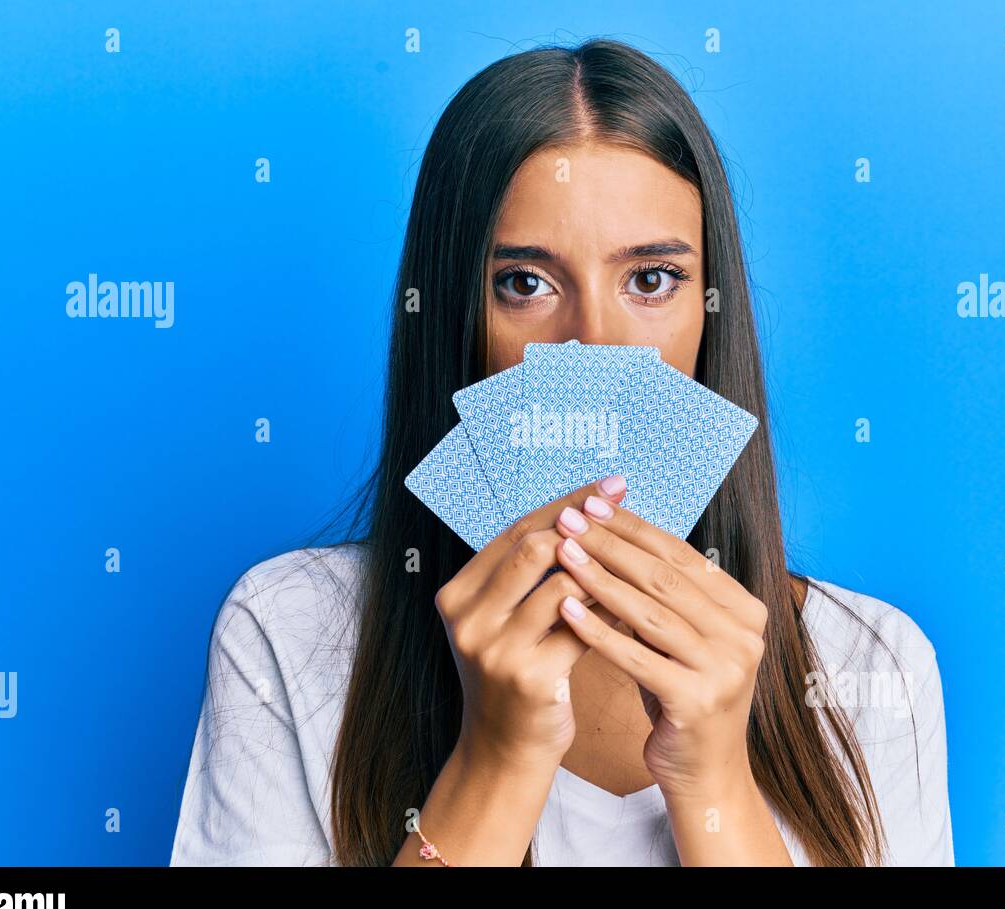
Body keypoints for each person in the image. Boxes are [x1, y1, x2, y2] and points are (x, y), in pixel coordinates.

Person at [170, 38, 954, 867]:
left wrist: (717, 784)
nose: (595, 348)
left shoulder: (867, 665)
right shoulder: (290, 634)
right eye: (526, 282)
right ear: (454, 322)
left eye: (650, 279)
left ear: (709, 314)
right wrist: (495, 762)